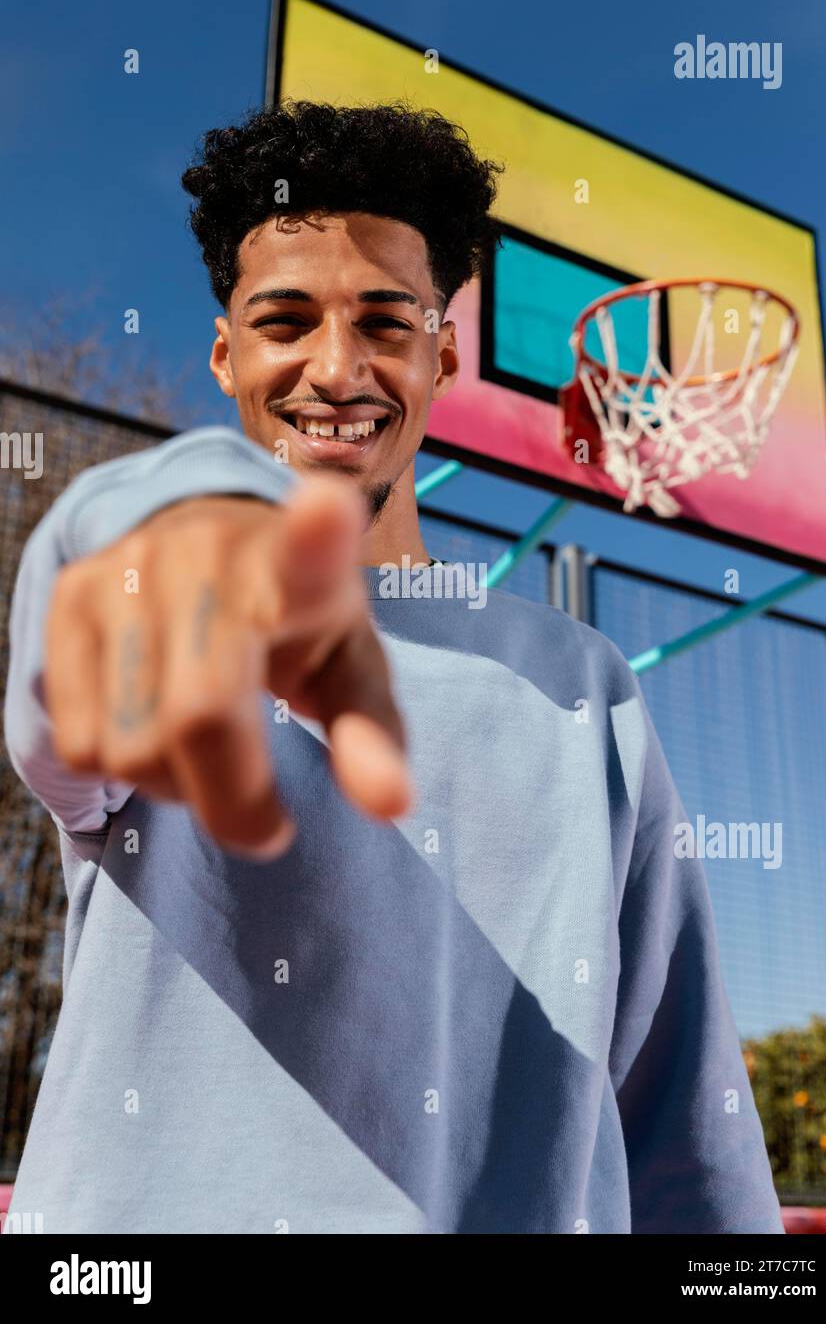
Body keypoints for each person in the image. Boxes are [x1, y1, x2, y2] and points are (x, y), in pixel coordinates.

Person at [3, 101, 783, 1234]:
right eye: (284, 321)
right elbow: (62, 722)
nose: (335, 367)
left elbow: (685, 1115)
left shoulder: (582, 687)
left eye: (383, 320)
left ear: (442, 354)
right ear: (225, 355)